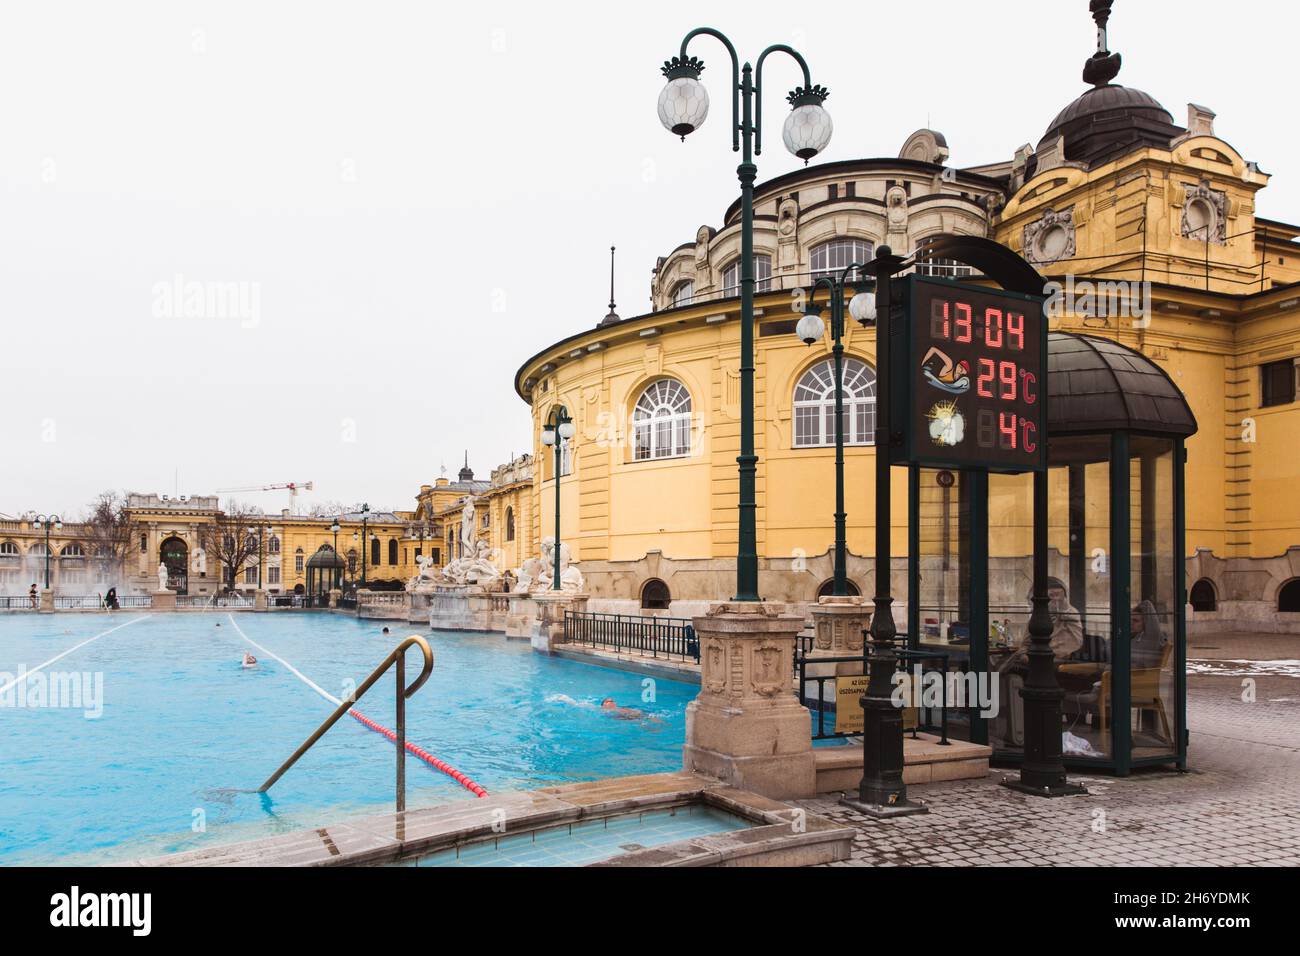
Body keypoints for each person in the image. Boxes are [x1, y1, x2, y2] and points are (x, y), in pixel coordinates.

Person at [1130, 599, 1168, 668]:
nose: (1131, 623)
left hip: (1137, 674)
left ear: (1145, 623)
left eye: (1136, 621)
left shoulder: (1152, 638)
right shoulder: (1137, 637)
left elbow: (1147, 604)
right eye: (1130, 620)